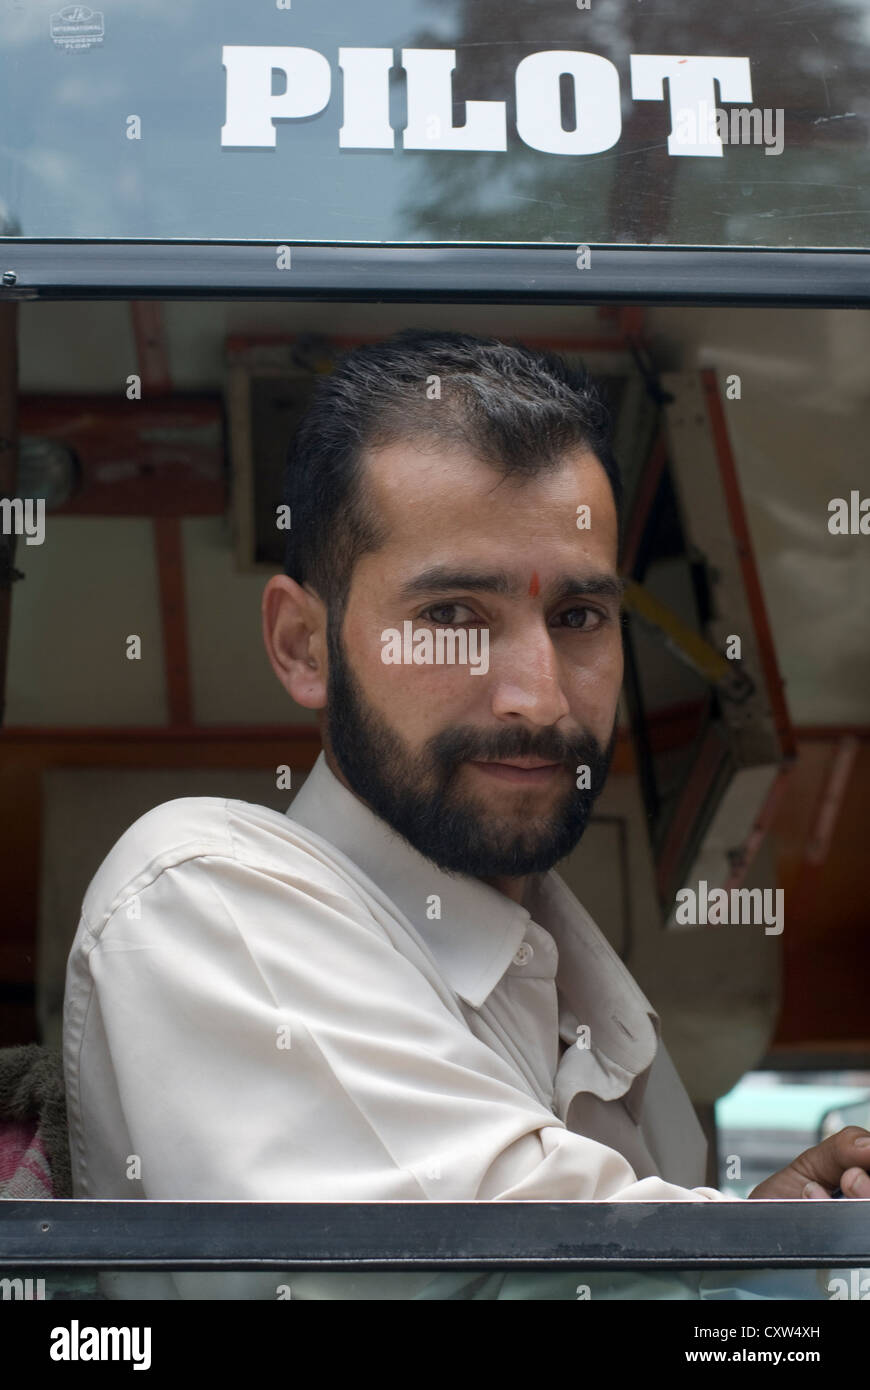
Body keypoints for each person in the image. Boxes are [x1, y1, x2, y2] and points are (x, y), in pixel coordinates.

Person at [63, 330, 870, 1300]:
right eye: (452, 615)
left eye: (577, 616)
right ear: (302, 643)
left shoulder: (619, 1033)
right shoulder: (197, 892)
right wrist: (760, 1280)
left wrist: (759, 1244)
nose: (537, 696)